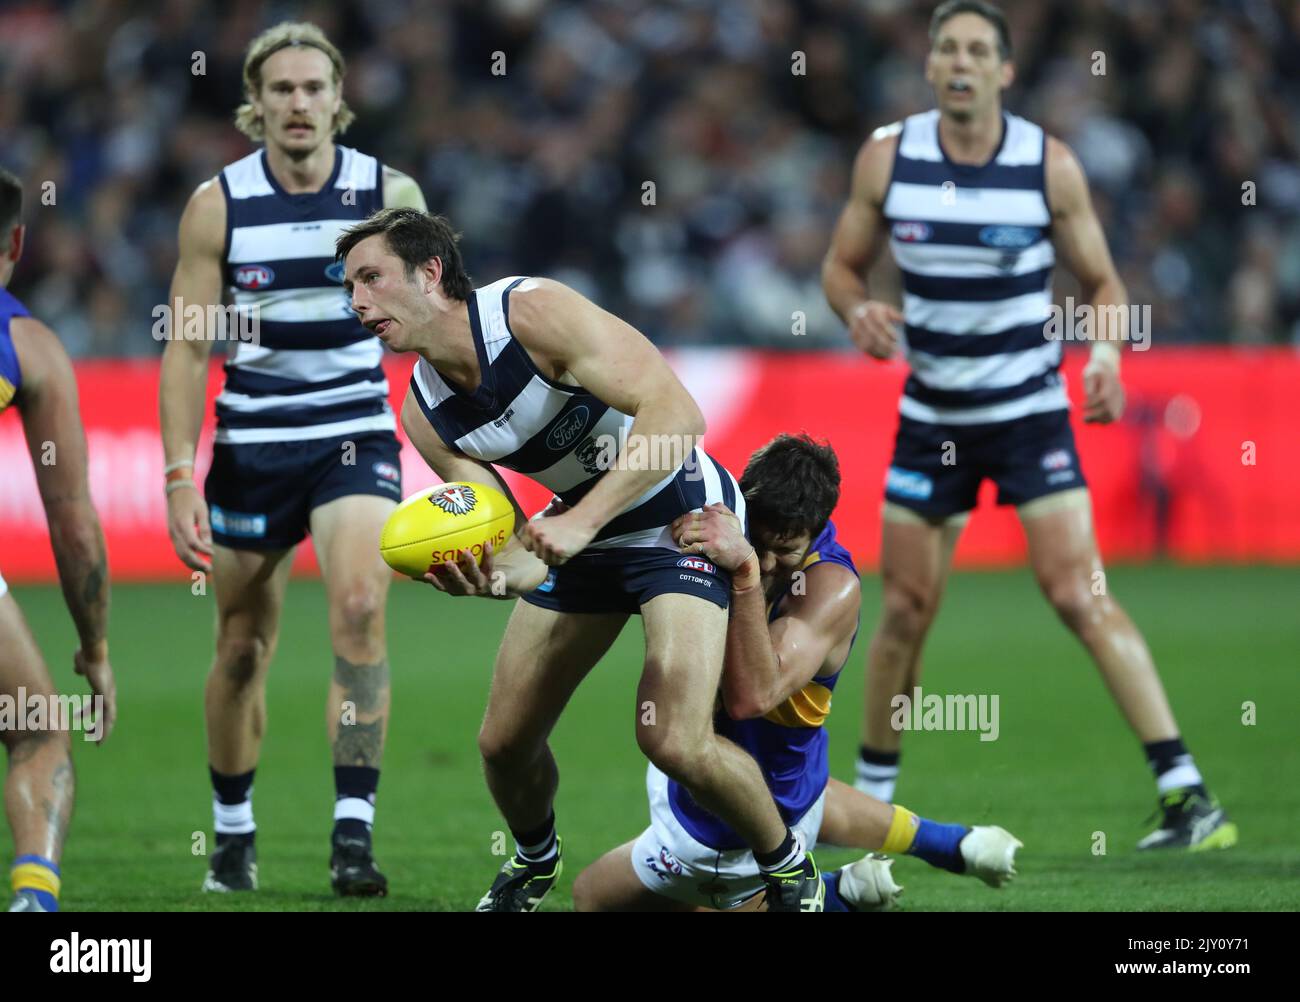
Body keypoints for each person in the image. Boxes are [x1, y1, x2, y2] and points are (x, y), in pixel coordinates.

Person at [821, 0, 1234, 850]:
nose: (961, 62)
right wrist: (856, 311)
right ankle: (871, 804)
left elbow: (1104, 287)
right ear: (931, 66)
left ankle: (1187, 794)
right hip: (932, 413)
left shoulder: (1049, 164)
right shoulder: (888, 158)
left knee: (1078, 596)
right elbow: (839, 268)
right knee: (902, 608)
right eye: (947, 49)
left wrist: (1110, 357)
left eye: (978, 49)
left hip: (1027, 413)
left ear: (1006, 71)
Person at [337, 207, 825, 911]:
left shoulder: (533, 313)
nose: (357, 302)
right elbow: (498, 526)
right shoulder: (424, 411)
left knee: (674, 740)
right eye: (349, 287)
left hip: (678, 515)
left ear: (431, 273)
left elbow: (678, 414)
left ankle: (787, 869)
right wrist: (495, 574)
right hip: (581, 535)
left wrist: (586, 517)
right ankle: (535, 862)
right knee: (504, 744)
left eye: (372, 278)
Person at [158, 22, 429, 896]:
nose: (300, 103)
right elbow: (189, 349)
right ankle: (233, 833)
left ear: (338, 98)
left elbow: (436, 328)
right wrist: (175, 474)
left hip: (352, 431)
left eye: (314, 87)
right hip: (251, 444)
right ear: (257, 103)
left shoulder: (387, 194)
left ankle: (353, 836)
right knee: (242, 647)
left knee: (358, 607)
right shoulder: (219, 204)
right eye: (282, 89)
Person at [570, 434, 1020, 911]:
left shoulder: (831, 589)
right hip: (791, 778)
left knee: (592, 898)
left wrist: (742, 574)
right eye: (757, 542)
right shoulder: (720, 520)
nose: (766, 561)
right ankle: (953, 843)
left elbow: (750, 697)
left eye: (783, 552)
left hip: (729, 827)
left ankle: (830, 897)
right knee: (767, 770)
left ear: (816, 532)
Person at [0, 167, 115, 912]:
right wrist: (95, 649)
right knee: (40, 729)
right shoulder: (26, 344)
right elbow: (72, 521)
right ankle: (33, 903)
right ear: (14, 242)